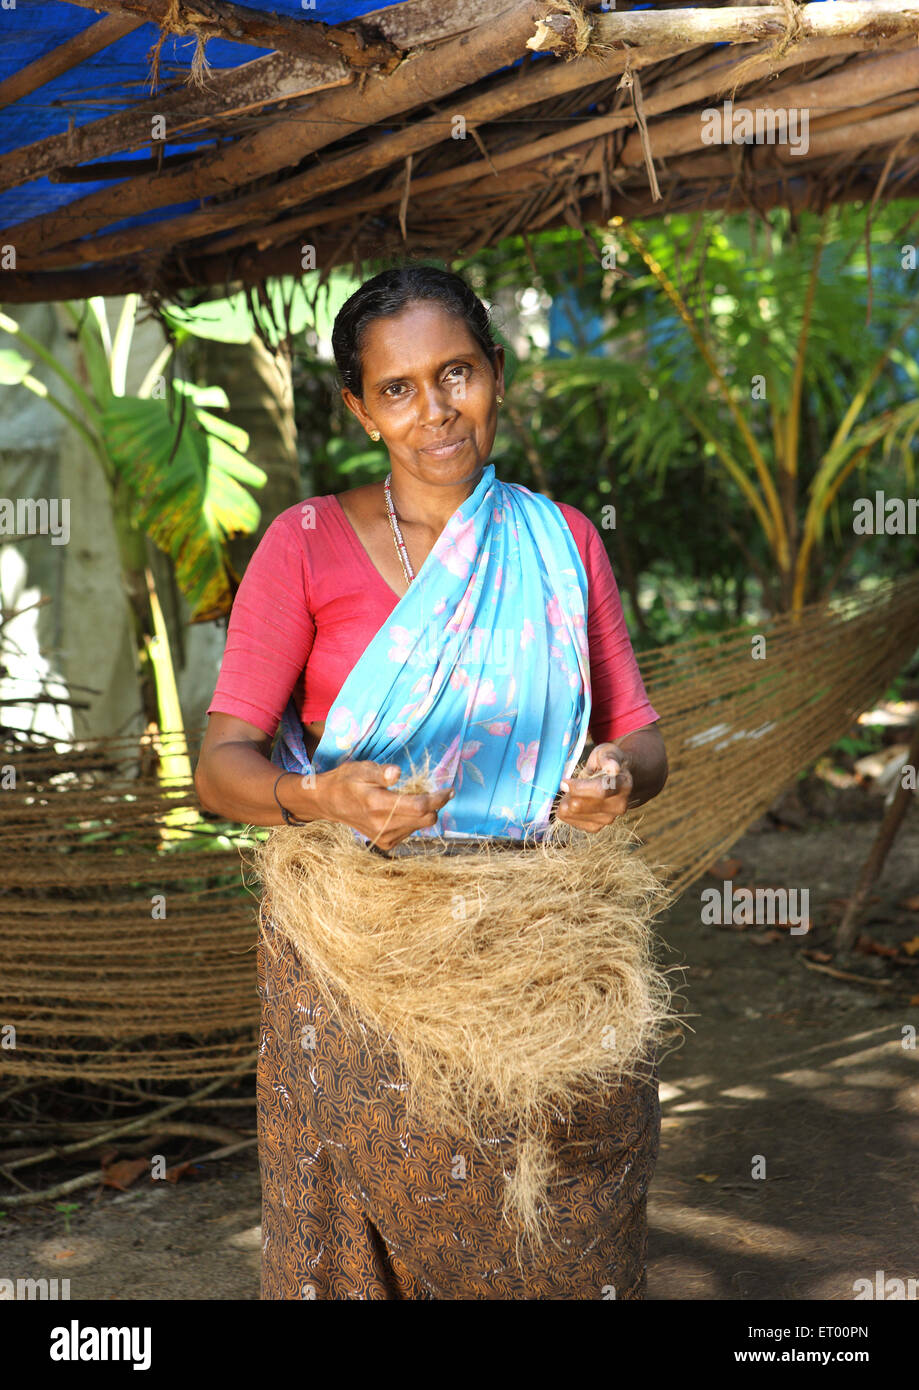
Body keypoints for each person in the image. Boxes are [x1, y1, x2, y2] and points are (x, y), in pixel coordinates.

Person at [195, 264, 668, 1299]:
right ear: (360, 409)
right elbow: (219, 768)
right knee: (371, 1200)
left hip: (544, 933)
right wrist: (320, 798)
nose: (435, 410)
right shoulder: (305, 544)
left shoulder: (560, 540)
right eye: (398, 388)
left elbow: (640, 737)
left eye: (455, 373)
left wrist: (611, 778)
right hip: (363, 939)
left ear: (495, 374)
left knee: (580, 1182)